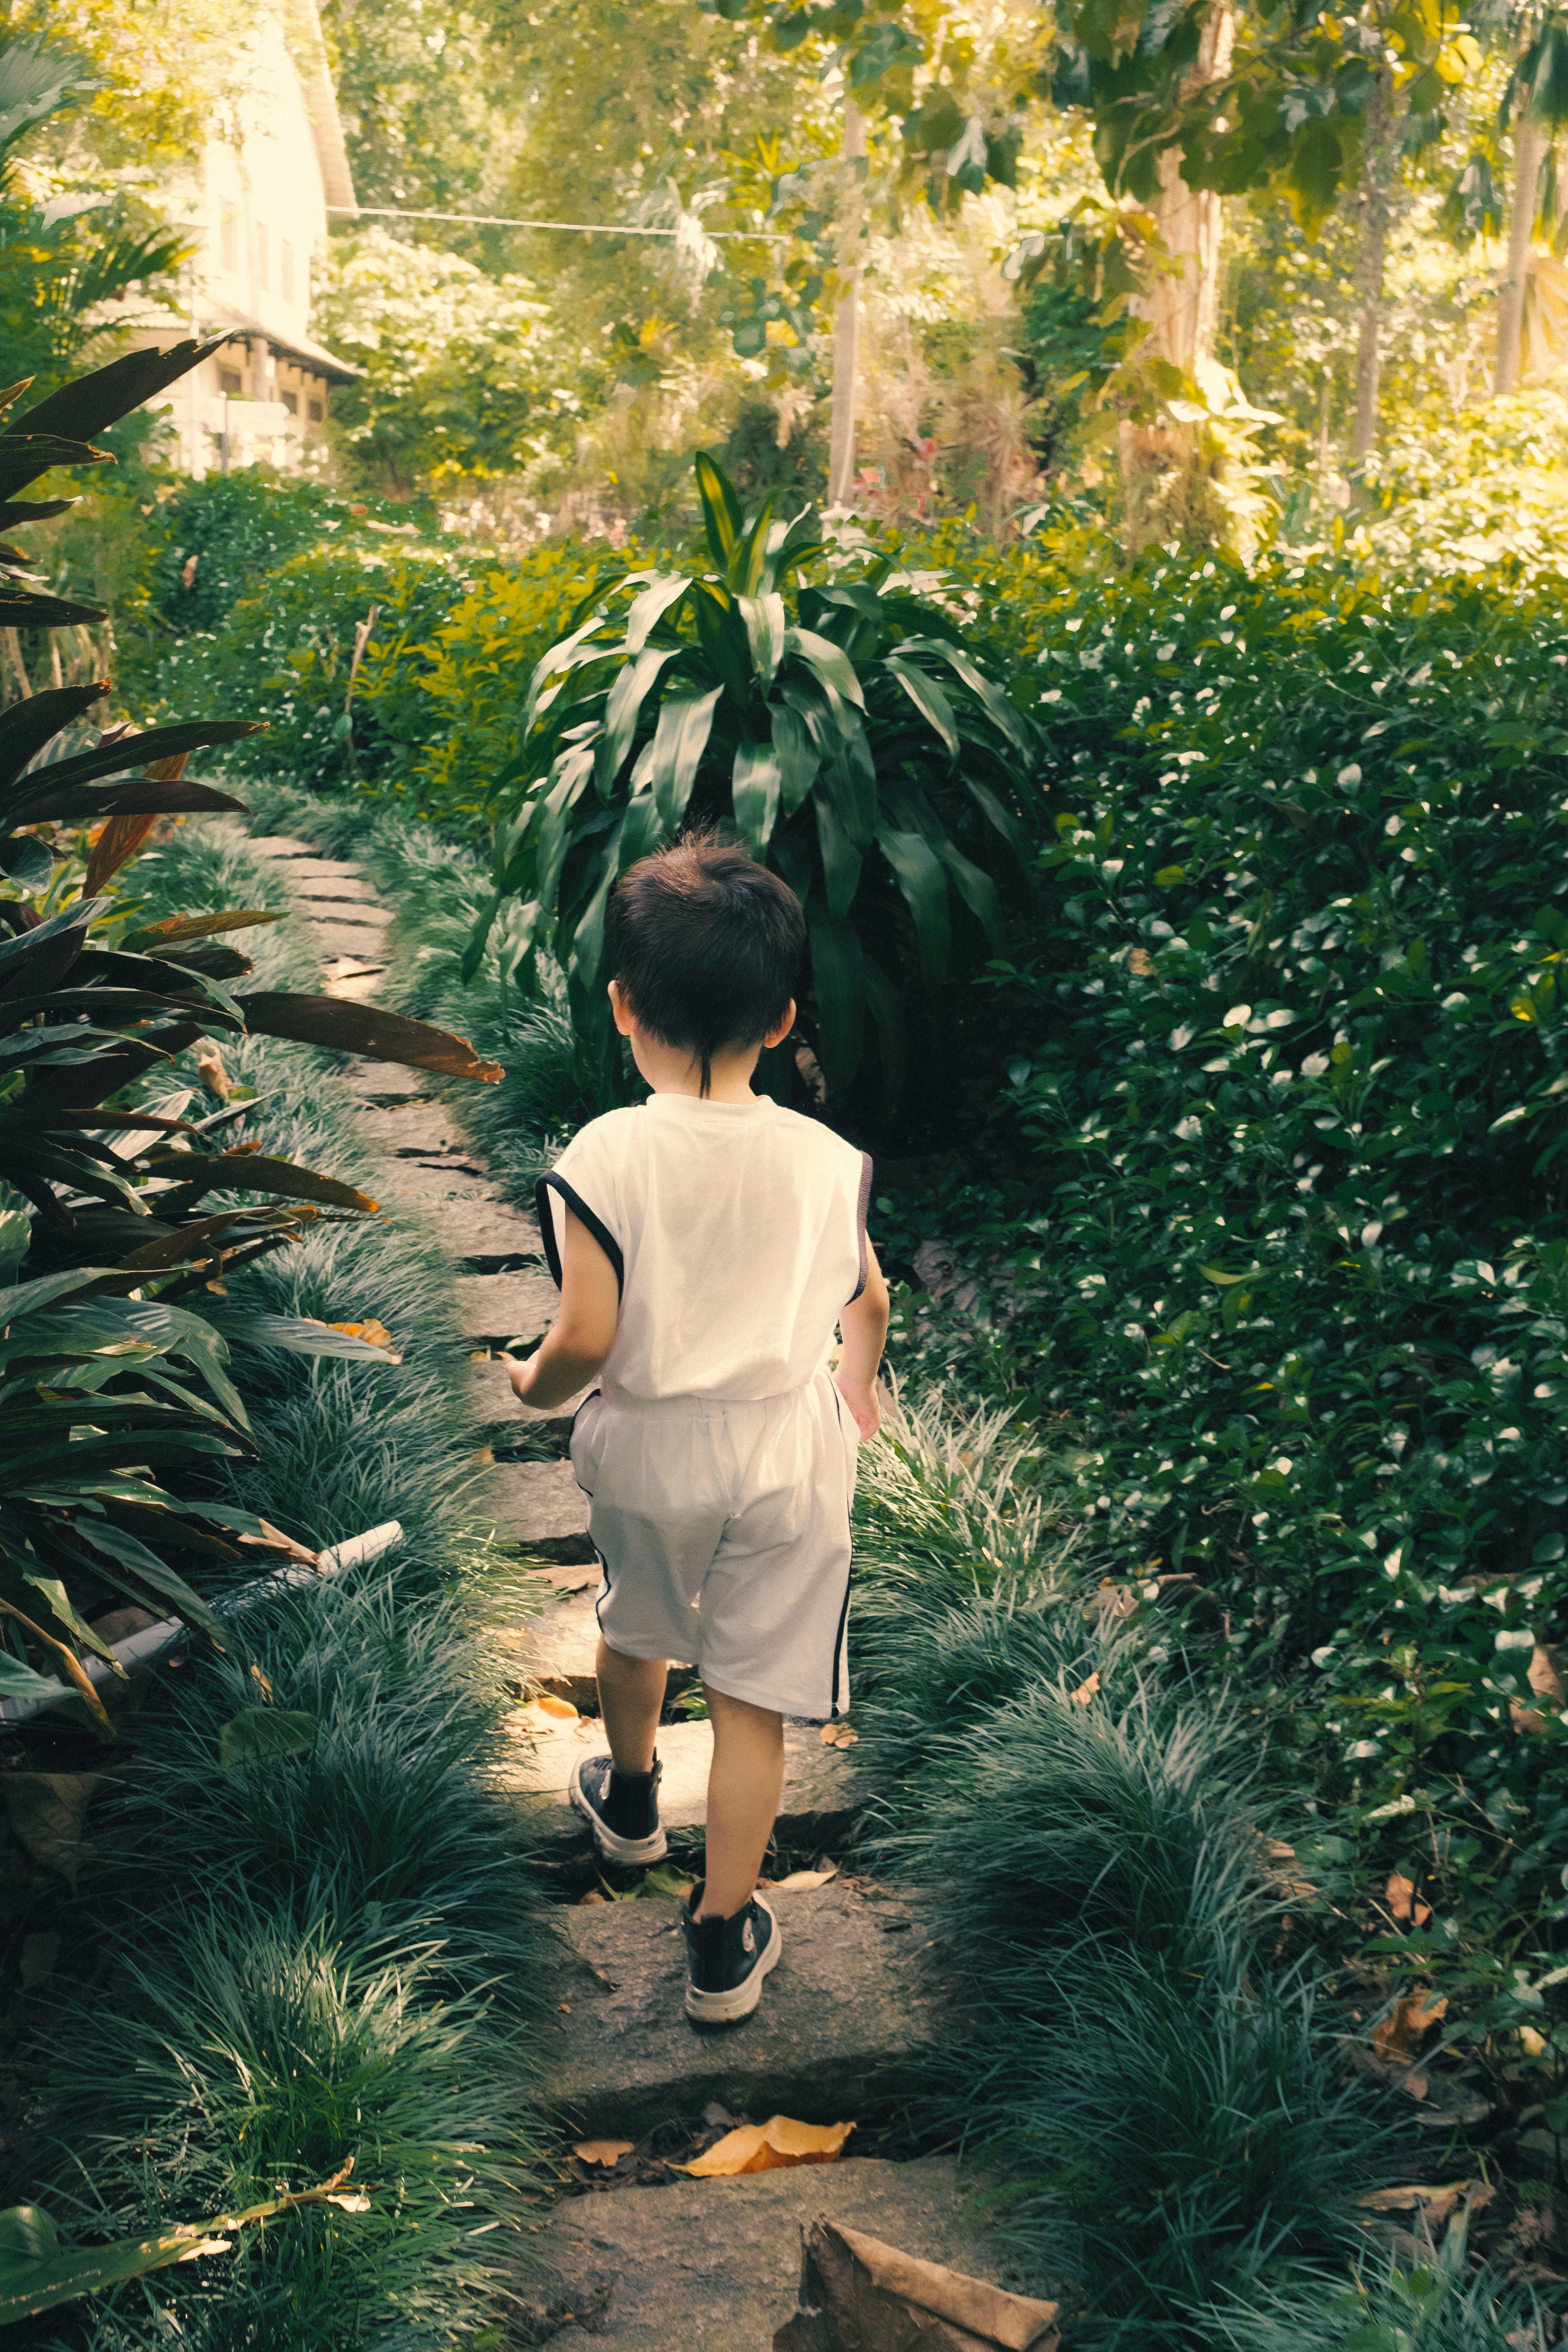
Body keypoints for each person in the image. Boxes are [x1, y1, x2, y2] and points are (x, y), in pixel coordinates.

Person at [505, 837, 889, 2027]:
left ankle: (628, 1802)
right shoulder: (829, 1161)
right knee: (753, 1701)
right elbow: (867, 1302)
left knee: (637, 1624)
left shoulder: (607, 1156)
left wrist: (529, 1386)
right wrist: (857, 1397)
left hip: (654, 1452)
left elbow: (583, 1338)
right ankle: (721, 1940)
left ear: (624, 1008)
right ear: (782, 1022)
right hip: (789, 1449)